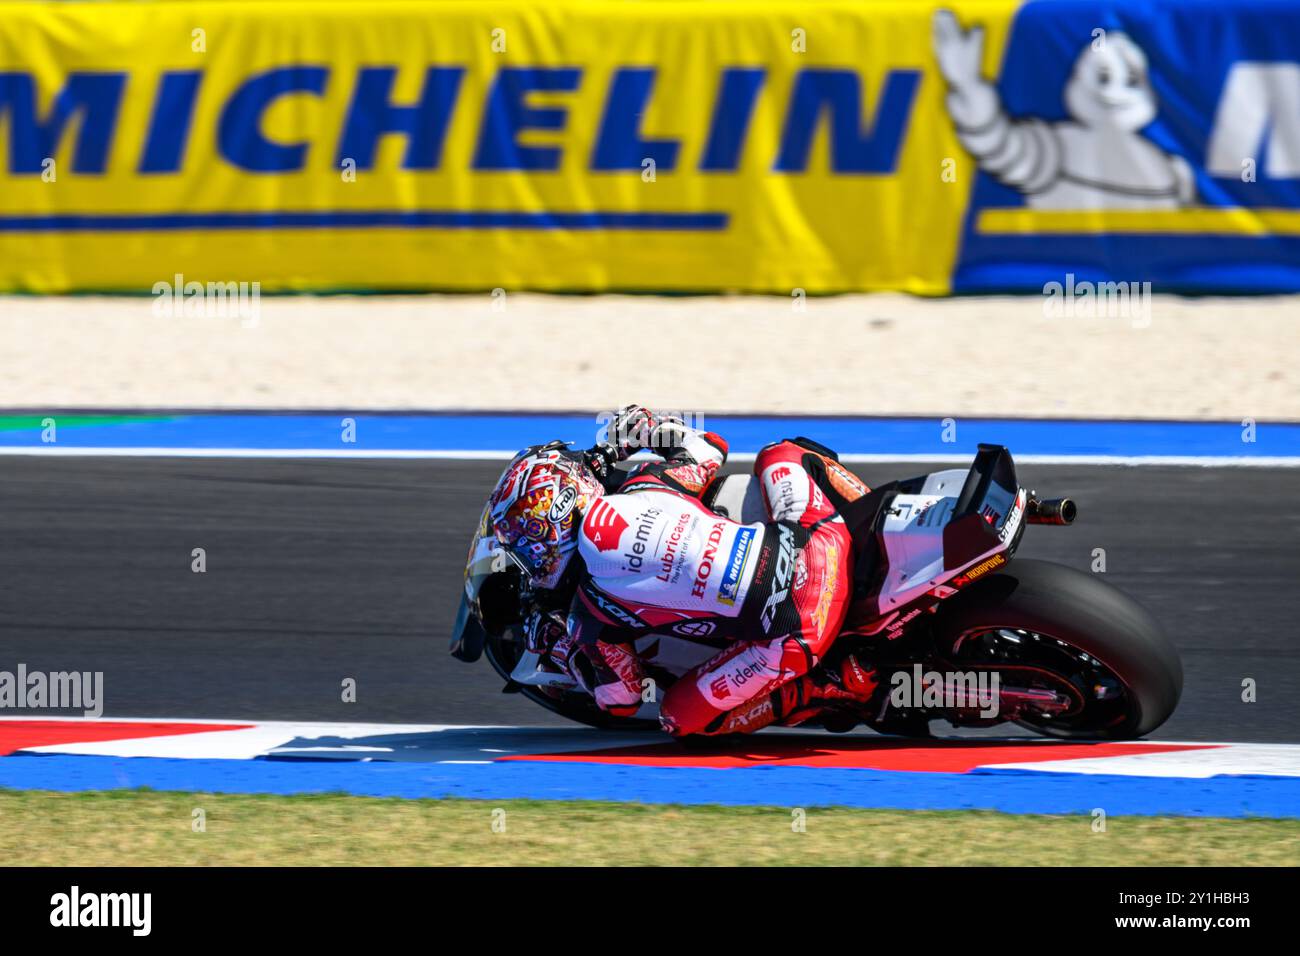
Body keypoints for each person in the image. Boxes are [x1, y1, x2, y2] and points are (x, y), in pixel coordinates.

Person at [487, 406, 877, 736]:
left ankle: (826, 687)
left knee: (678, 720)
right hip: (821, 538)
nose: (531, 556)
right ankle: (873, 519)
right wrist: (642, 431)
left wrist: (560, 646)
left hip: (802, 629)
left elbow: (622, 699)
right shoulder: (649, 484)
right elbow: (709, 446)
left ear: (552, 527)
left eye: (528, 542)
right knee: (783, 452)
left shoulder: (590, 611)